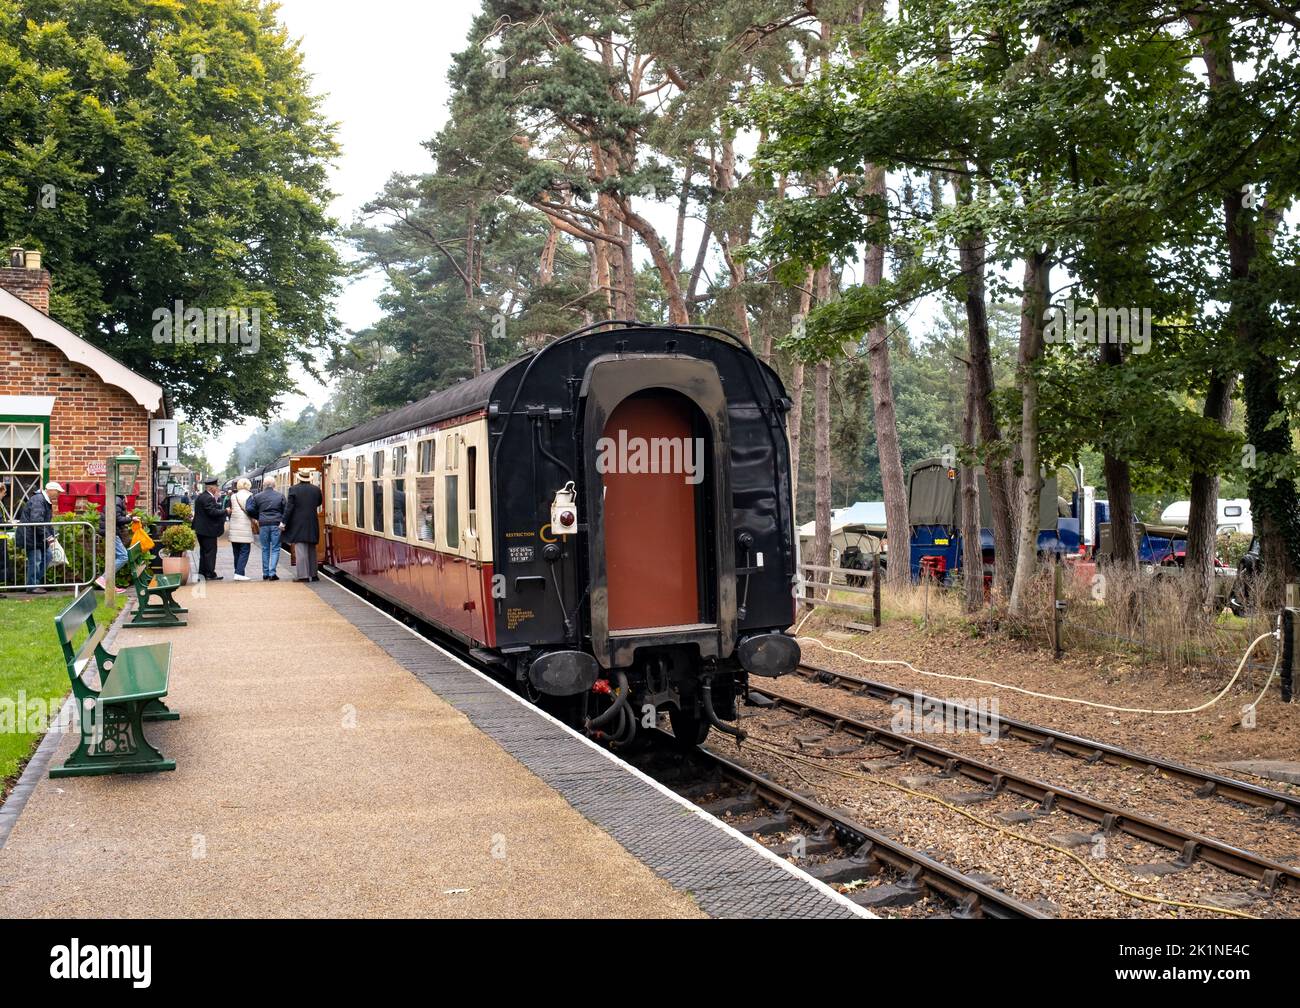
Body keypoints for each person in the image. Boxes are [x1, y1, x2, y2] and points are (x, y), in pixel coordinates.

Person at [17, 481, 62, 594]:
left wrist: (51, 535)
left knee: (48, 556)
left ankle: (35, 583)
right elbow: (37, 521)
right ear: (50, 490)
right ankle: (32, 586)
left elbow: (44, 522)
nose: (58, 494)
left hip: (37, 537)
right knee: (36, 561)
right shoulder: (39, 500)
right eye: (57, 491)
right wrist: (49, 537)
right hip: (31, 537)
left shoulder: (43, 500)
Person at [282, 470, 323, 582]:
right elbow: (319, 502)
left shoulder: (293, 489)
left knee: (301, 550)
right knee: (311, 550)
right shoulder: (316, 489)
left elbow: (289, 508)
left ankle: (303, 576)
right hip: (312, 522)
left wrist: (283, 522)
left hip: (298, 523)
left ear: (299, 478)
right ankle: (314, 575)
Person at [246, 475, 286, 581]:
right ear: (274, 485)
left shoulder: (258, 496)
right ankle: (272, 573)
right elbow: (285, 510)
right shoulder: (280, 496)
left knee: (265, 548)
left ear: (263, 485)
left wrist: (258, 517)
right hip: (276, 524)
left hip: (263, 524)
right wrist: (281, 520)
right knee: (276, 548)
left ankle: (265, 573)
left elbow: (250, 509)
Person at [93, 493, 130, 595]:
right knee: (123, 556)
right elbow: (117, 519)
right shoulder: (117, 500)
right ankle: (103, 578)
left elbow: (117, 516)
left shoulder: (116, 499)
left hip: (111, 530)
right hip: (111, 531)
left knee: (114, 558)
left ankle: (110, 585)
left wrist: (127, 517)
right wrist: (129, 519)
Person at [192, 476, 227, 581]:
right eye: (216, 486)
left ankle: (202, 573)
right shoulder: (208, 498)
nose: (217, 488)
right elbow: (212, 512)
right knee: (210, 552)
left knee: (204, 552)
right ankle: (210, 573)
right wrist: (225, 511)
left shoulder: (202, 496)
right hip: (207, 530)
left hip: (201, 529)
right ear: (212, 488)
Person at [226, 477, 255, 581]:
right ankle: (239, 573)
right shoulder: (250, 496)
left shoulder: (233, 496)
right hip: (245, 526)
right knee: (245, 550)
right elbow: (251, 510)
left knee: (236, 551)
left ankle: (238, 572)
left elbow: (230, 510)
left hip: (234, 526)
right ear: (248, 485)